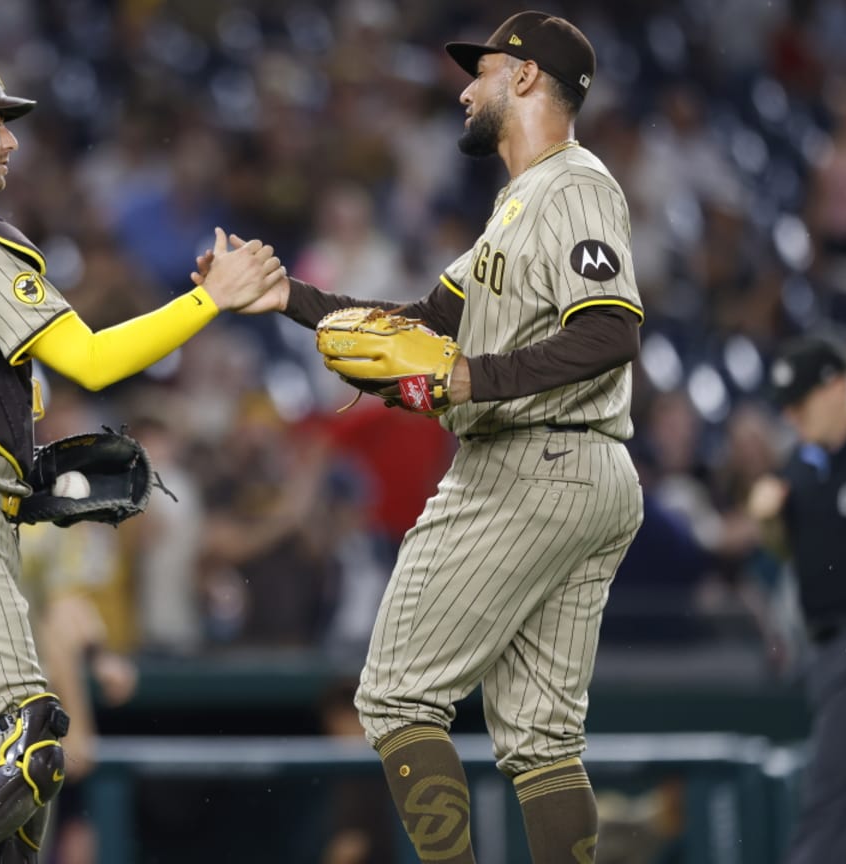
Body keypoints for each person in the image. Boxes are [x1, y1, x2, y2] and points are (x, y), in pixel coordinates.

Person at [200, 13, 644, 862]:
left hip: (530, 462)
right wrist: (285, 296)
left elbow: (611, 331)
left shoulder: (575, 186)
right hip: (585, 473)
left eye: (479, 72)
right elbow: (409, 327)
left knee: (397, 700)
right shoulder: (514, 209)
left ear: (523, 78)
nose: (466, 88)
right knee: (543, 742)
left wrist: (474, 379)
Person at [0, 56, 283, 863]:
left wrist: (17, 474)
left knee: (11, 808)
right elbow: (89, 360)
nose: (10, 141)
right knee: (27, 750)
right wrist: (207, 300)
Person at [747, 337, 846, 864]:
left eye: (801, 402)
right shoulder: (803, 467)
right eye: (786, 406)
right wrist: (769, 523)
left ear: (839, 388)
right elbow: (790, 550)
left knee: (826, 811)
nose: (791, 416)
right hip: (825, 652)